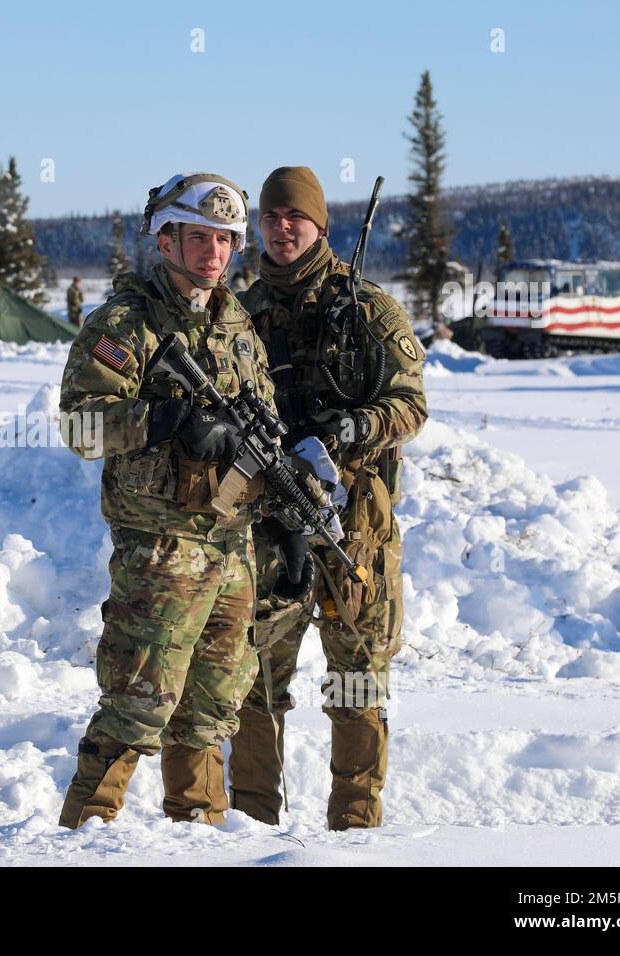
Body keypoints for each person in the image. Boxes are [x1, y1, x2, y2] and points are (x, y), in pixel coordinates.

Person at [56, 173, 277, 827]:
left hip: (230, 542)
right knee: (138, 702)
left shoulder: (236, 322)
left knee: (211, 705)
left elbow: (258, 421)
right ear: (167, 239)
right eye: (201, 237)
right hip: (160, 548)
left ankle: (199, 833)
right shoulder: (125, 323)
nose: (214, 253)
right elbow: (80, 427)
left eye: (226, 240)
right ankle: (85, 837)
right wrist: (167, 421)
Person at [228, 167, 427, 830]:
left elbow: (411, 404)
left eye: (297, 218)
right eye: (272, 218)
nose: (283, 230)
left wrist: (354, 427)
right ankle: (250, 833)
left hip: (354, 532)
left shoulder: (367, 308)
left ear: (320, 225)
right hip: (269, 527)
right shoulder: (241, 314)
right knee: (254, 685)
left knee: (356, 684)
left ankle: (355, 832)